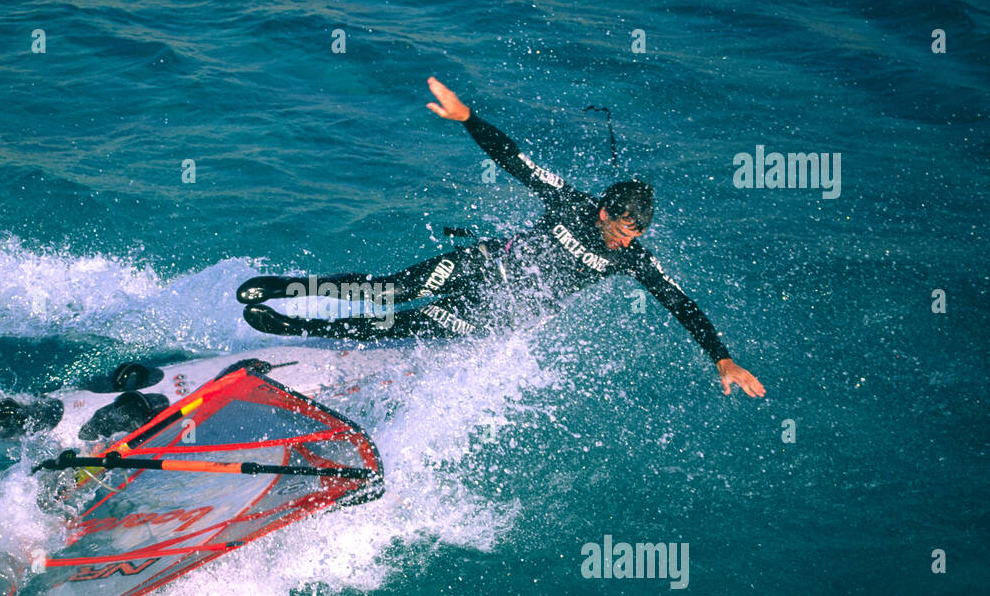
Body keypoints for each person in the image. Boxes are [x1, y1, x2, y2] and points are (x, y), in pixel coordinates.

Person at [240, 77, 764, 397]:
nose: (627, 243)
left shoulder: (631, 260)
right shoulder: (572, 203)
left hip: (495, 313)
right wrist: (468, 118)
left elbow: (682, 303)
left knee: (388, 327)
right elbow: (514, 160)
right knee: (386, 291)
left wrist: (721, 356)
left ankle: (294, 330)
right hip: (482, 265)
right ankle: (288, 287)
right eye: (624, 230)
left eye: (637, 236)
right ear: (606, 211)